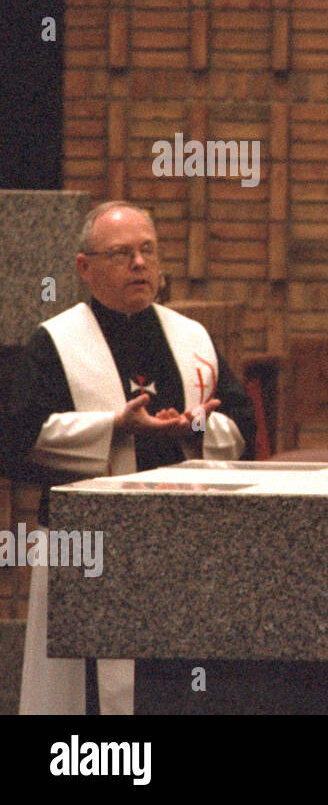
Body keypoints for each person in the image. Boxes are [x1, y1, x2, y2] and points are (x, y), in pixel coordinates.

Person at [2, 201, 256, 715]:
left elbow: (244, 431)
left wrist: (197, 427)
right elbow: (18, 441)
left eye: (148, 251)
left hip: (183, 537)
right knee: (85, 694)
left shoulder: (191, 338)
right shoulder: (55, 342)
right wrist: (114, 426)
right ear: (84, 268)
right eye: (121, 253)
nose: (140, 264)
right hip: (89, 542)